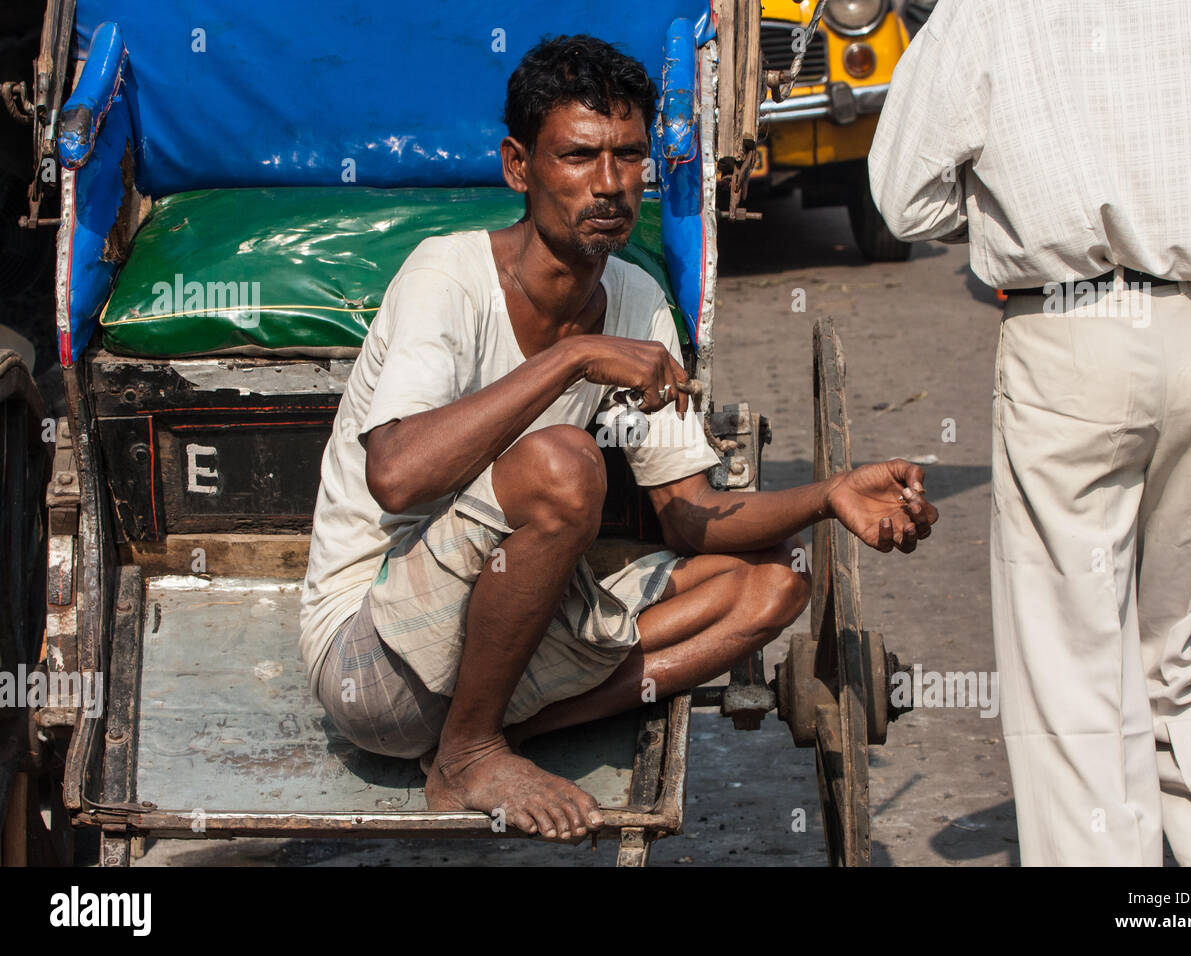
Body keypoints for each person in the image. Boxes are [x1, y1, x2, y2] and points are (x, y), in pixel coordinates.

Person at [299, 34, 940, 841]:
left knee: (775, 586)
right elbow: (395, 476)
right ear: (518, 166)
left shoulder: (636, 301)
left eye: (630, 156)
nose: (609, 184)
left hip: (504, 644)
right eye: (578, 156)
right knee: (563, 465)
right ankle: (465, 754)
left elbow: (687, 513)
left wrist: (829, 494)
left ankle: (514, 730)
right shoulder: (447, 277)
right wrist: (573, 358)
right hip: (380, 666)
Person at [870, 0, 1191, 866]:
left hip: (1068, 337)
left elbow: (902, 198)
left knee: (1074, 658)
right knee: (1178, 647)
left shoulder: (985, 11)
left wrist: (1018, 208)